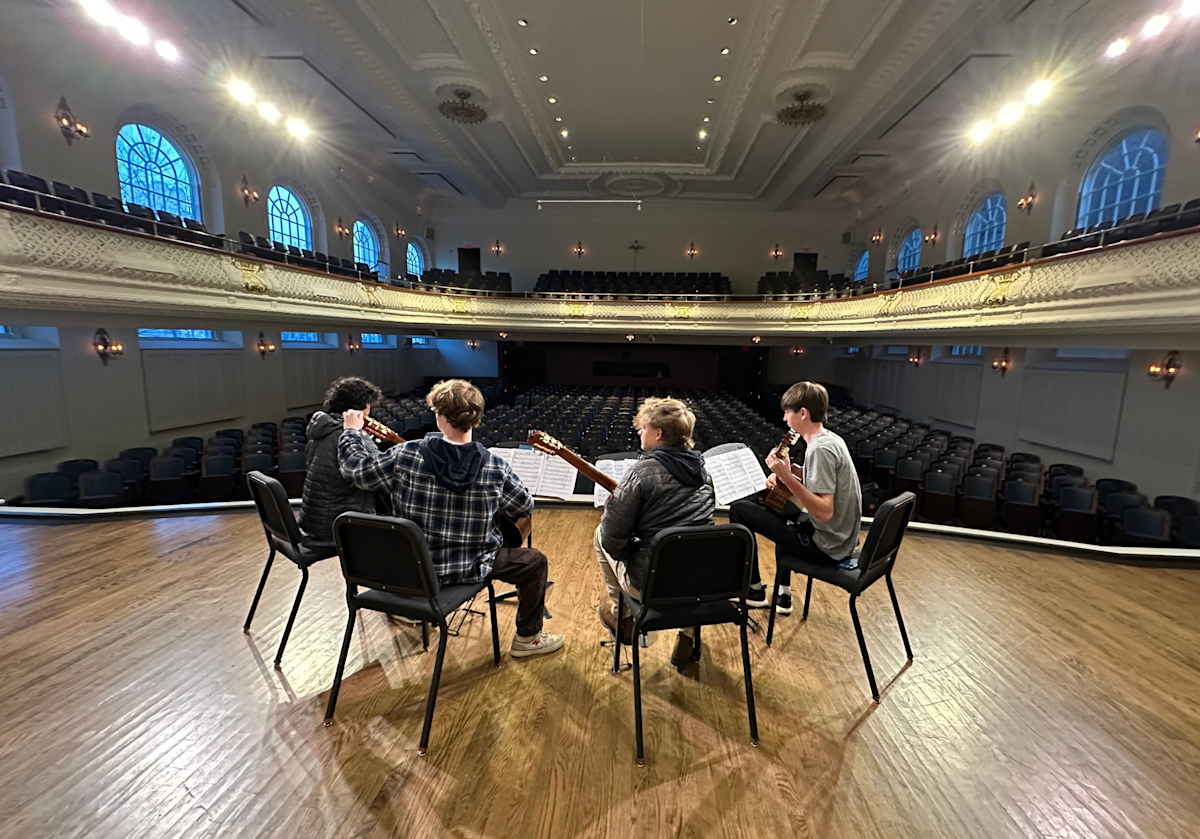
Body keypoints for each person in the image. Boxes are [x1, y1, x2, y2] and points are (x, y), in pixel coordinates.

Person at [338, 378, 564, 658]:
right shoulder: (494, 466)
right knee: (534, 561)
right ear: (477, 419)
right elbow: (524, 504)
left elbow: (357, 470)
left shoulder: (407, 455)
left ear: (440, 417)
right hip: (471, 566)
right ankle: (528, 639)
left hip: (413, 569)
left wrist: (351, 433)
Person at [595, 397, 716, 672]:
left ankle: (622, 617)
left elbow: (614, 540)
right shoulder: (705, 475)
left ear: (658, 434)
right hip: (700, 583)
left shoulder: (641, 472)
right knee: (687, 551)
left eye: (643, 427)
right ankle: (687, 636)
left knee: (599, 532)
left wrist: (630, 549)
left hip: (651, 585)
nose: (639, 432)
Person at [729, 381, 862, 616]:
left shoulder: (820, 450)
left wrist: (786, 478)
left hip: (827, 546)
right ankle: (782, 591)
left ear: (803, 413)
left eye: (787, 412)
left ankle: (754, 589)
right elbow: (821, 488)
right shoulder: (830, 439)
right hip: (840, 539)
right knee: (781, 510)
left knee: (740, 510)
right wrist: (789, 474)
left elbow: (824, 512)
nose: (784, 419)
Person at [297, 376, 384, 548]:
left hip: (315, 520)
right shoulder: (350, 436)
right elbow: (378, 477)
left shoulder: (321, 430)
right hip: (340, 525)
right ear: (362, 408)